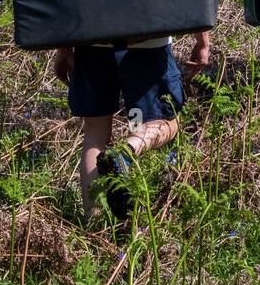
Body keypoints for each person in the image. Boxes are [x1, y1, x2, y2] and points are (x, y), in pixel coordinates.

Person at [53, 31, 210, 220]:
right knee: (167, 122)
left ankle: (95, 225)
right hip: (147, 42)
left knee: (95, 135)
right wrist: (203, 42)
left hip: (90, 43)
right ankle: (125, 153)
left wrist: (63, 46)